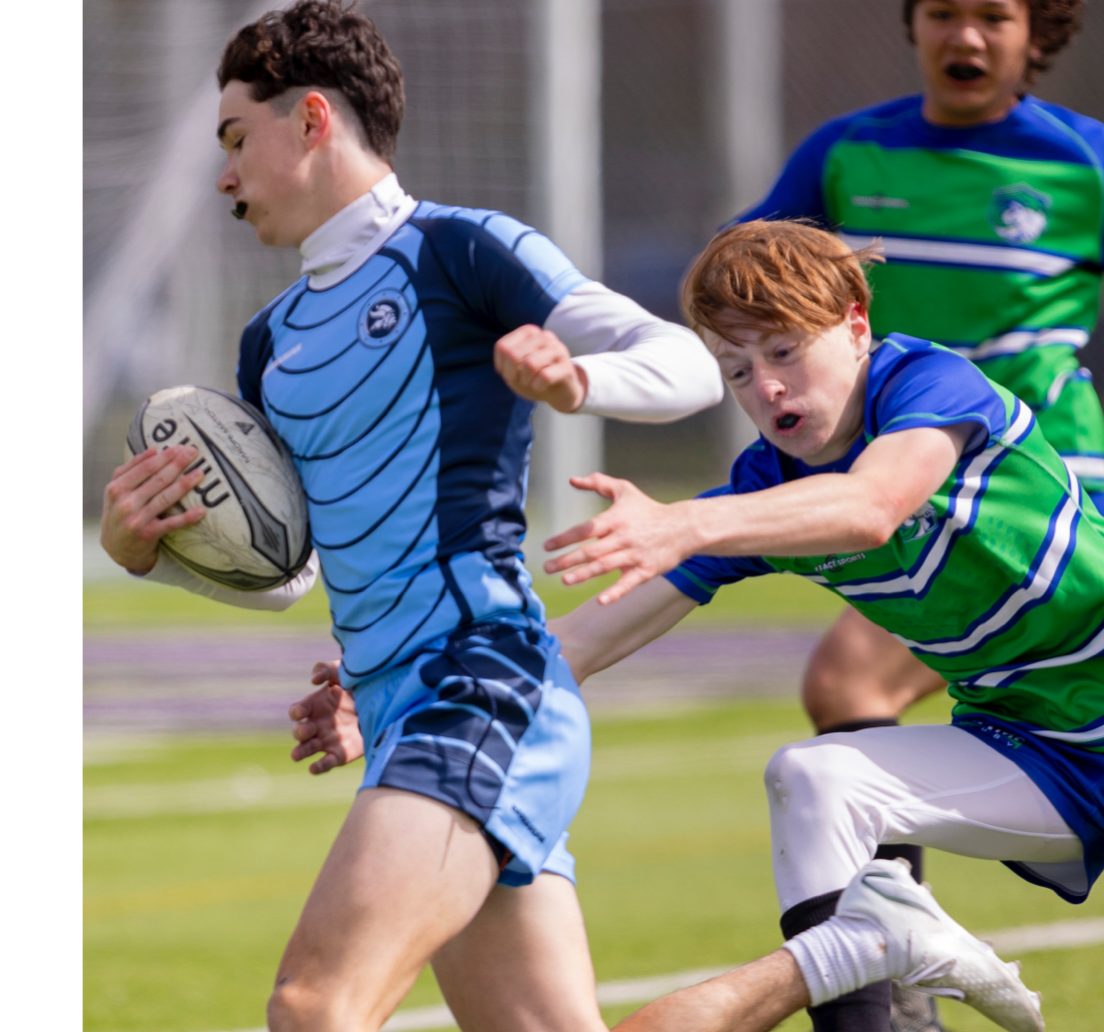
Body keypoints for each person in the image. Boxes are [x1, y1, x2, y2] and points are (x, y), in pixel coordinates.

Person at [295, 220, 1104, 1032]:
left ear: (857, 328)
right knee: (818, 778)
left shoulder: (931, 387)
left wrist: (684, 520)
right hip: (1042, 750)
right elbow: (580, 646)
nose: (765, 388)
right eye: (736, 371)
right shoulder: (768, 487)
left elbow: (871, 507)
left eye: (785, 351)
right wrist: (404, 697)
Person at [97, 3, 725, 1030]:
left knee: (315, 1006)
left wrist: (577, 383)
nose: (222, 177)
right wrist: (144, 548)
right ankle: (847, 952)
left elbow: (691, 364)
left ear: (309, 121)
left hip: (485, 684)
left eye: (234, 140)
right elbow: (292, 569)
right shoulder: (269, 341)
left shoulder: (463, 251)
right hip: (400, 715)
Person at [732, 9, 1104, 1022]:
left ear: (1039, 33)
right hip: (893, 488)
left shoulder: (1080, 161)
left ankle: (891, 971)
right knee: (936, 720)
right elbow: (747, 284)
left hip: (1028, 496)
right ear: (914, 26)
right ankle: (896, 947)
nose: (968, 35)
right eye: (945, 10)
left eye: (995, 13)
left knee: (850, 678)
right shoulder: (848, 153)